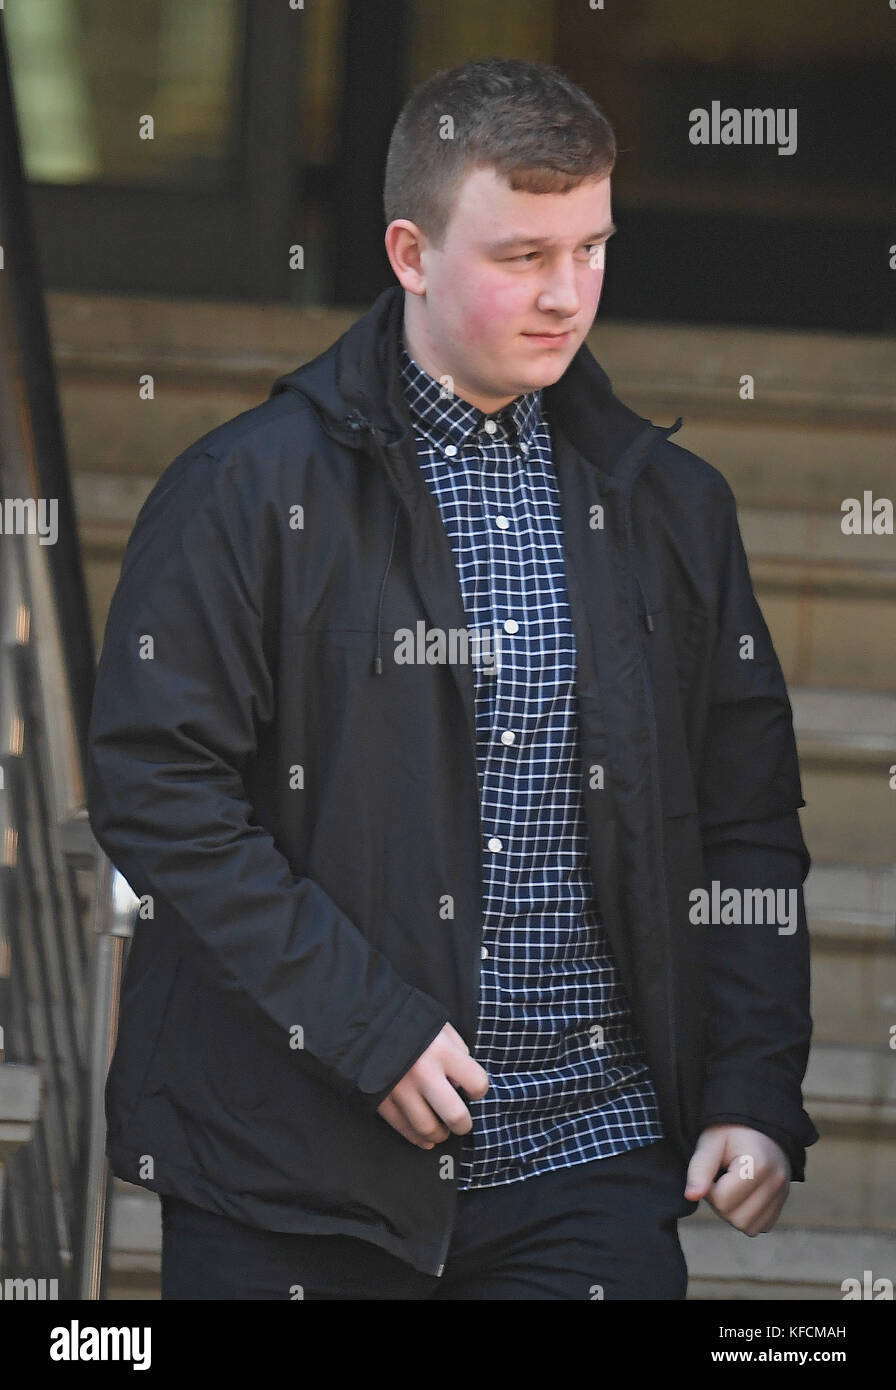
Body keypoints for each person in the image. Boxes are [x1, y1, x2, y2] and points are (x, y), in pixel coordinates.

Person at [86, 56, 819, 1301]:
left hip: (589, 1167)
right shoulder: (245, 490)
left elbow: (743, 823)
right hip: (290, 1174)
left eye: (590, 247)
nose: (566, 293)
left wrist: (751, 1086)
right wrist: (363, 1026)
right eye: (521, 255)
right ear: (409, 253)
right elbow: (160, 790)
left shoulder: (667, 507)